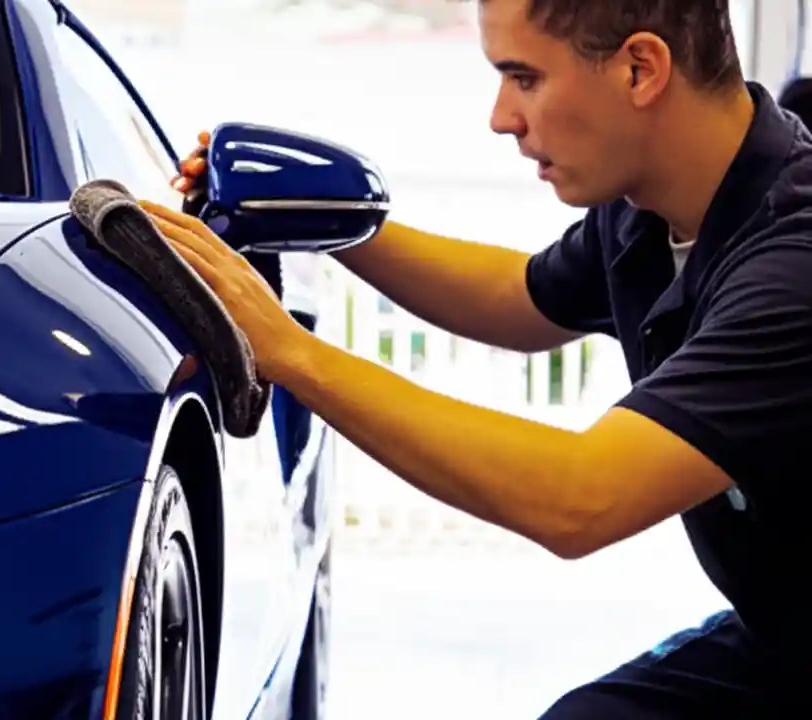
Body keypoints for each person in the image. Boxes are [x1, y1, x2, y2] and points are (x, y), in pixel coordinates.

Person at [136, 0, 812, 717]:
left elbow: (579, 497)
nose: (501, 118)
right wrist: (321, 221)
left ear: (640, 69)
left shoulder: (793, 268)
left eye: (524, 78)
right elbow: (516, 297)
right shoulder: (655, 210)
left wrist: (287, 350)